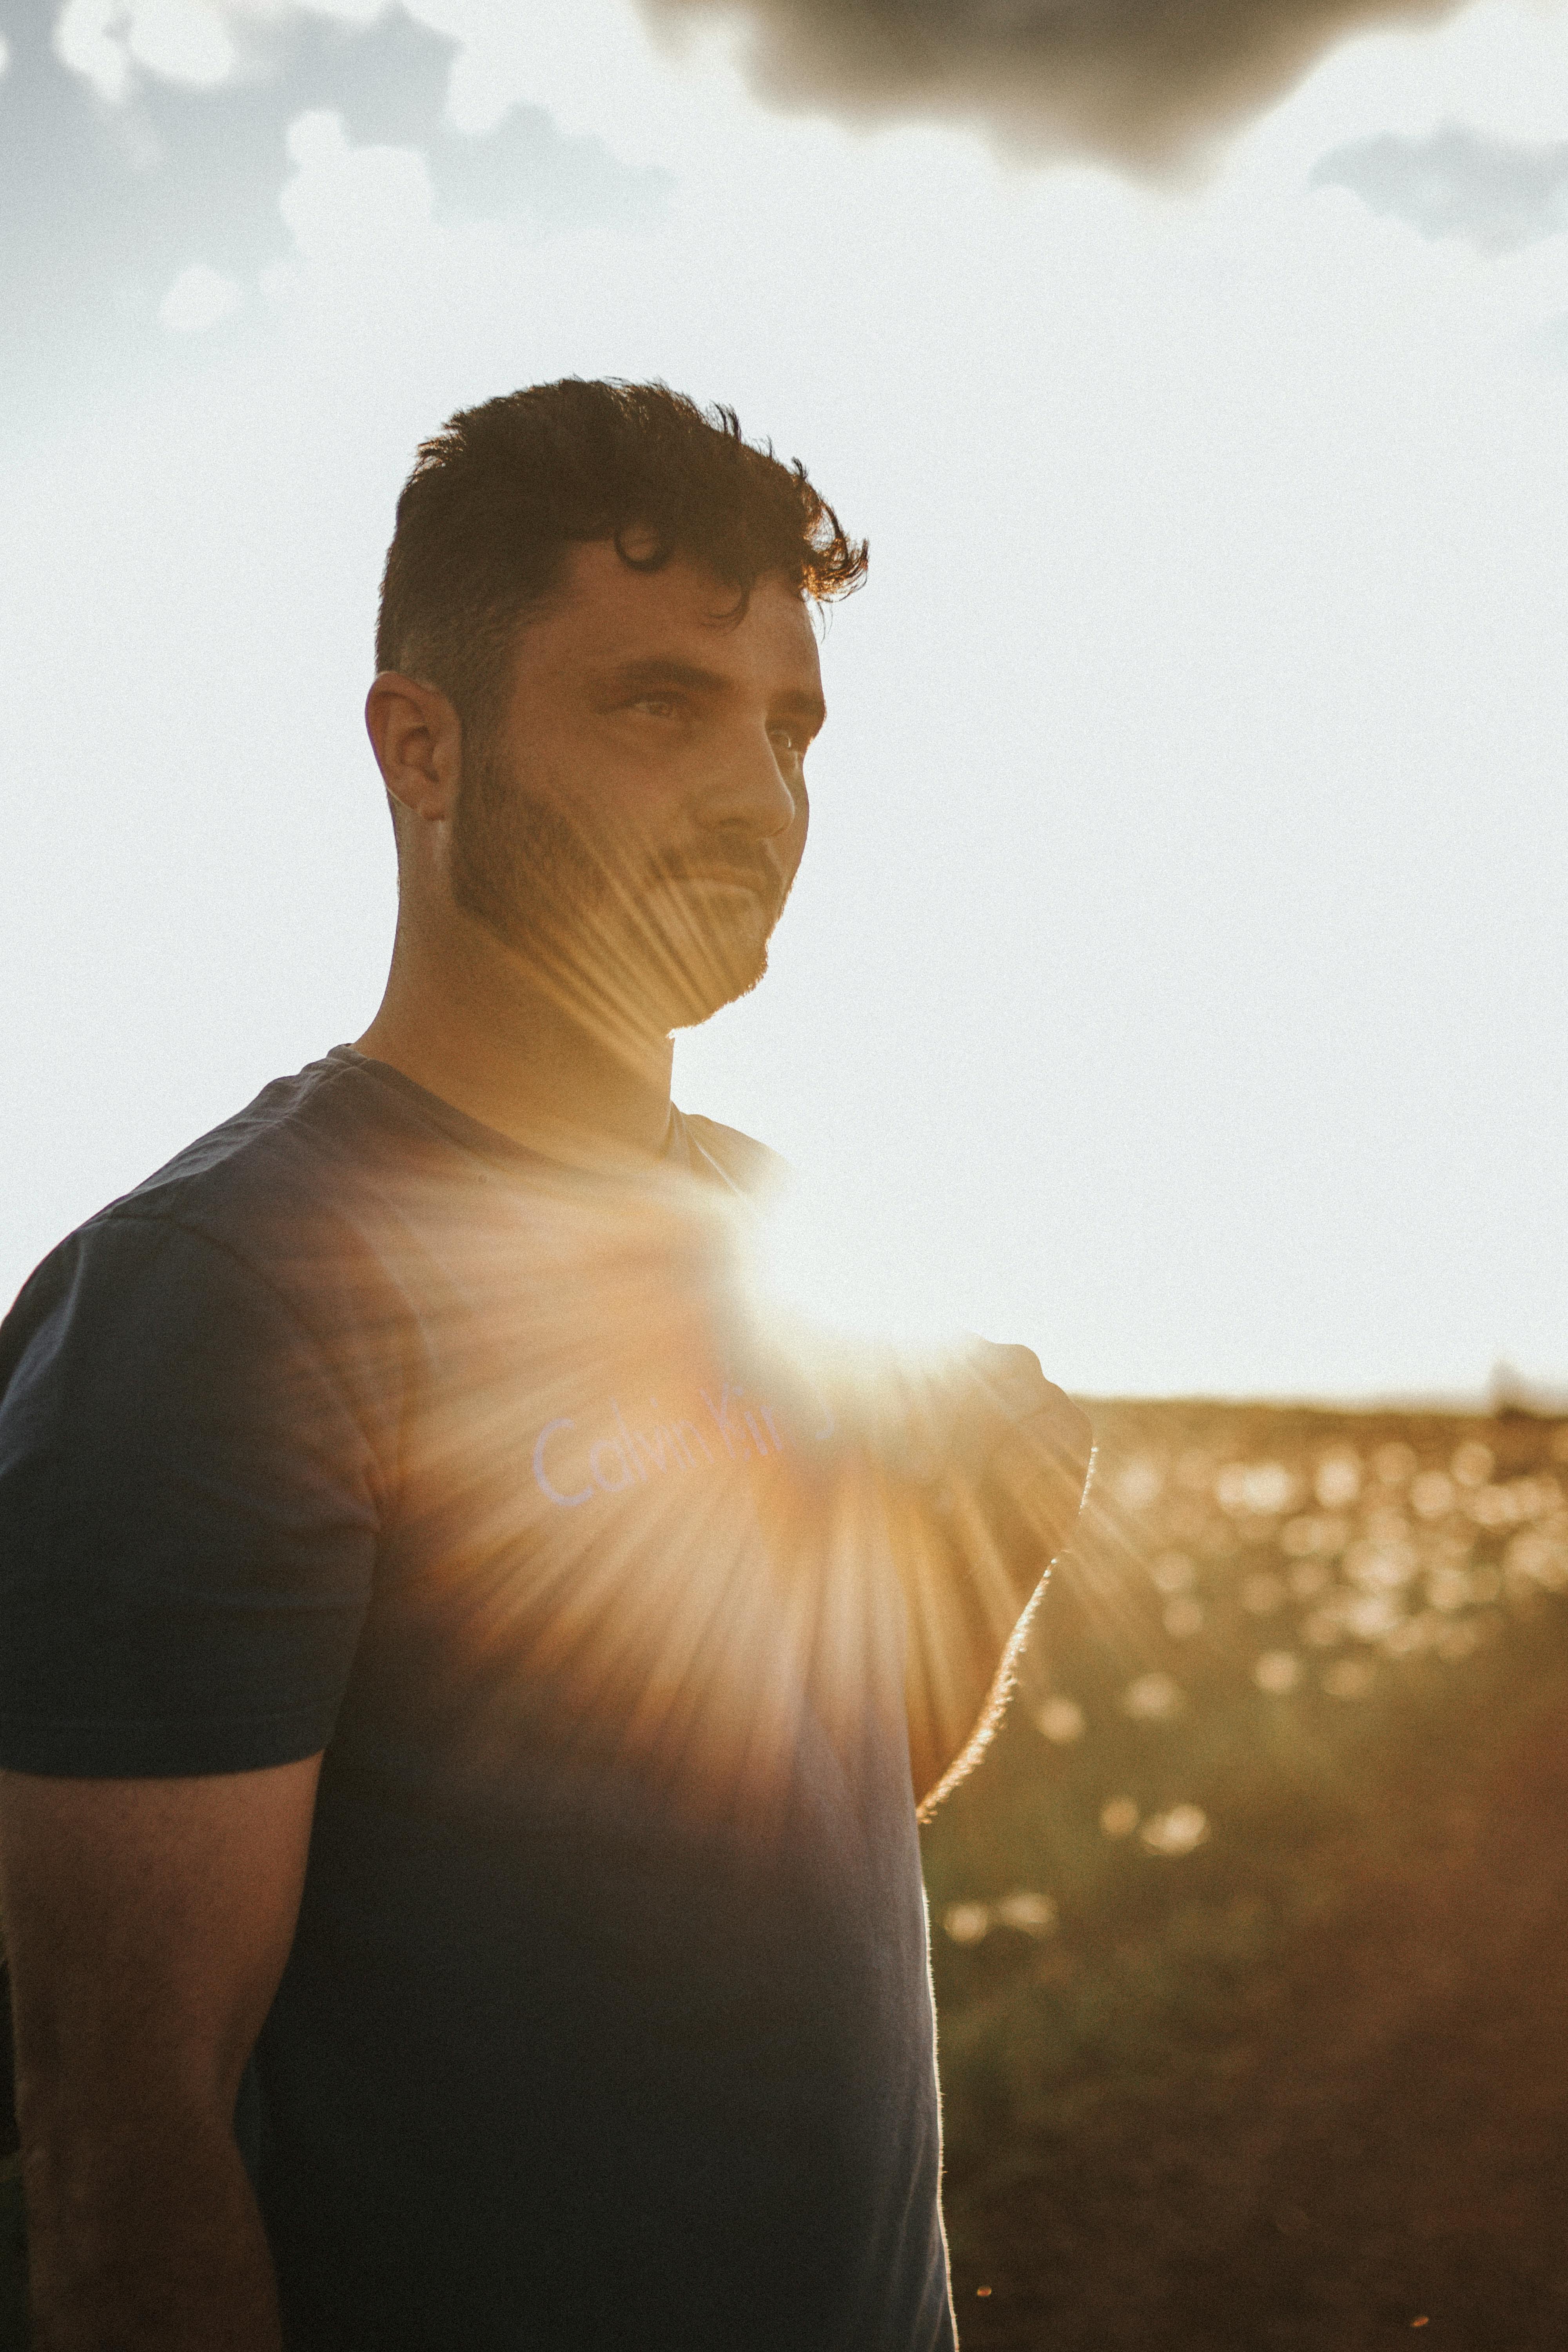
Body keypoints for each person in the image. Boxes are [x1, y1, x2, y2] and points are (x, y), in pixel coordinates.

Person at [0, 379, 1091, 2352]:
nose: (762, 797)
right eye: (661, 707)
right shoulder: (220, 1297)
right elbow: (120, 2152)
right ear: (422, 749)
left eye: (791, 727)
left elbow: (786, 1823)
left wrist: (980, 1557)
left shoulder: (772, 1227)